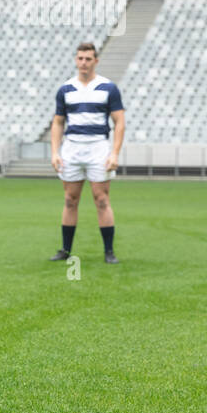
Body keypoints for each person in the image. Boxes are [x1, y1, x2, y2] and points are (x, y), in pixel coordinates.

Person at [49, 42, 126, 265]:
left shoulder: (108, 88)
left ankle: (109, 251)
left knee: (101, 199)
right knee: (70, 199)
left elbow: (119, 121)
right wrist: (55, 152)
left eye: (88, 59)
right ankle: (65, 249)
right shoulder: (65, 89)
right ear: (76, 60)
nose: (84, 63)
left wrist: (114, 153)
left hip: (98, 148)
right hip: (72, 148)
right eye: (80, 58)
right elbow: (58, 122)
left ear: (95, 61)